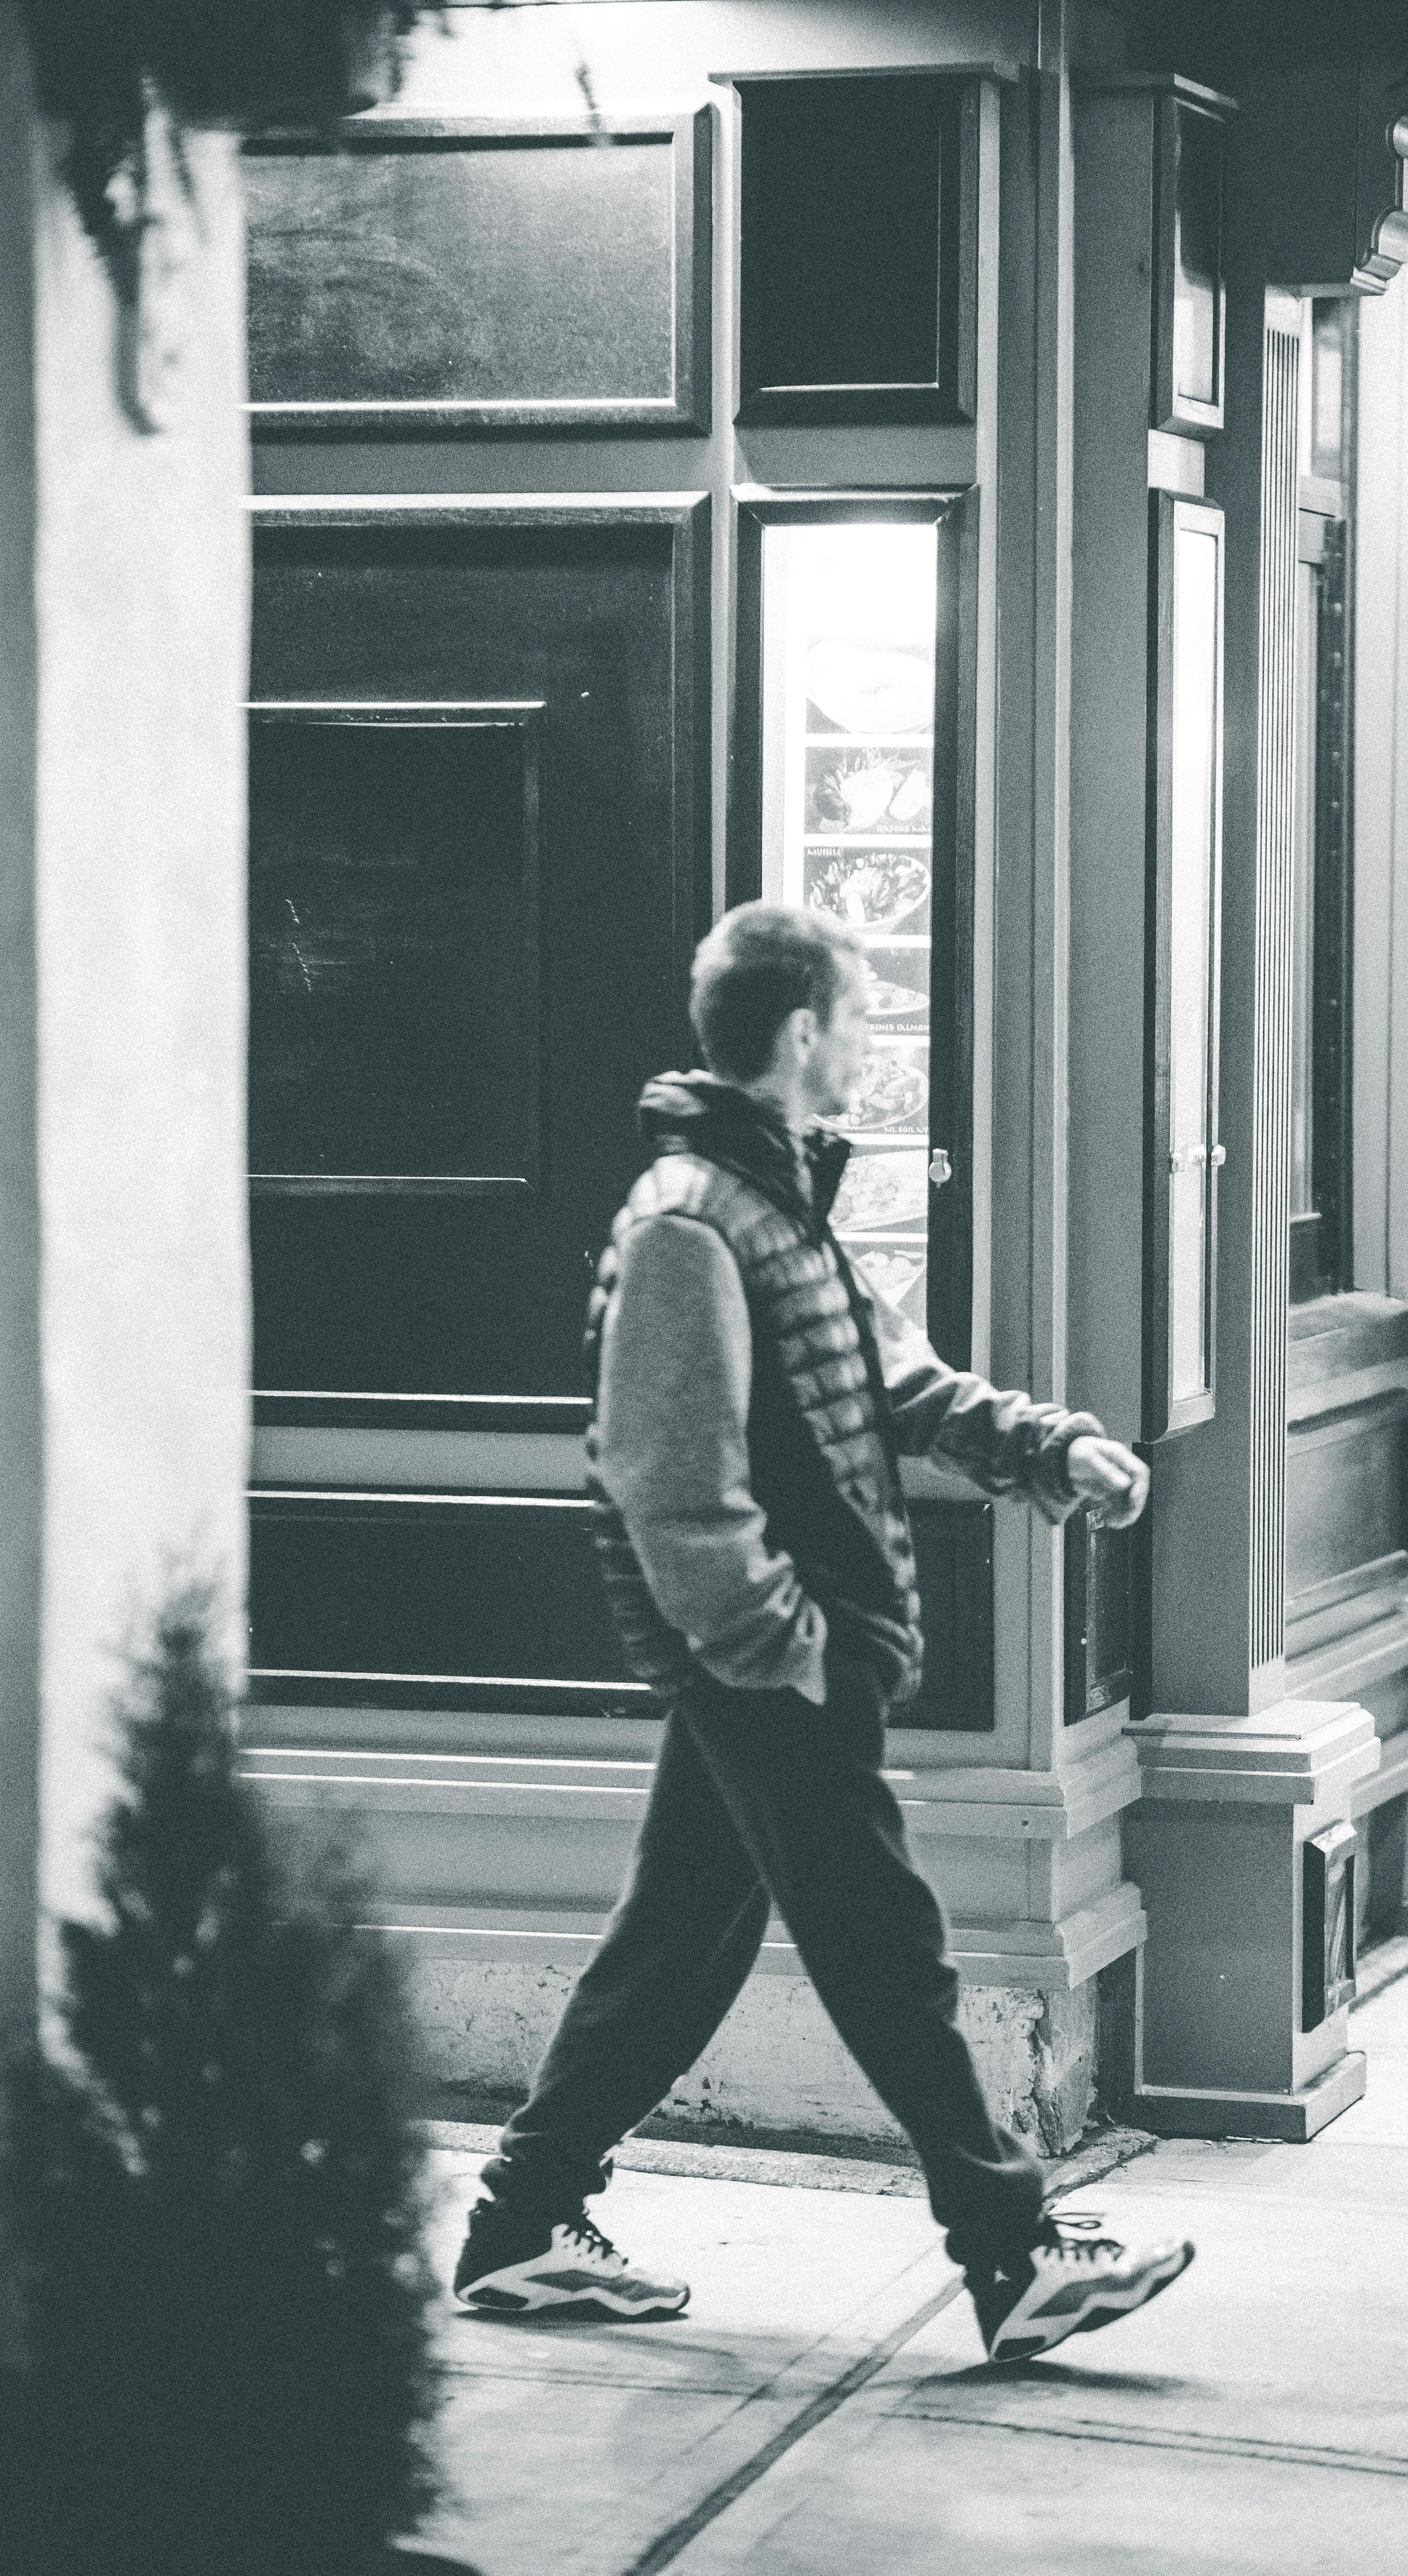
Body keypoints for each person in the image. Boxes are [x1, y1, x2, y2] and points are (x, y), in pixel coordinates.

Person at [453, 902, 1192, 2363]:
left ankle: (521, 2228)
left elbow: (896, 1381)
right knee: (885, 1946)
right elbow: (669, 1482)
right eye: (861, 1015)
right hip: (771, 1660)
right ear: (802, 1034)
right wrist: (780, 1646)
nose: (872, 1041)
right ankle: (1012, 2249)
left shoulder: (771, 1203)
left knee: (673, 1946)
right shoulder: (689, 1220)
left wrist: (1054, 1450)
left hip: (782, 1655)